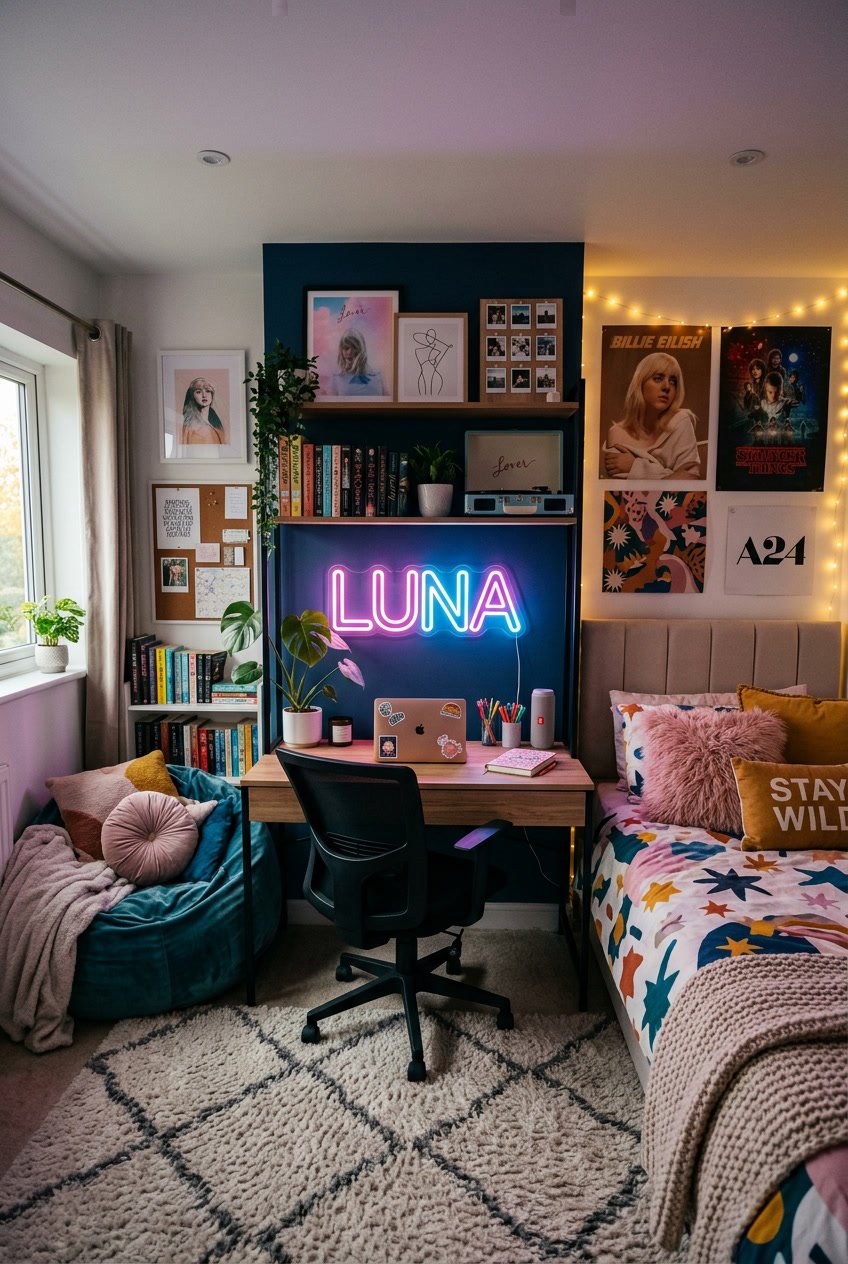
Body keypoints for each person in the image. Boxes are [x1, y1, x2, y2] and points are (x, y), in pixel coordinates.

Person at [603, 352, 701, 479]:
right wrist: (671, 475)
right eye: (658, 378)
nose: (667, 387)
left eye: (673, 381)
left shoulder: (680, 421)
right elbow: (621, 493)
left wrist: (635, 467)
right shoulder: (617, 433)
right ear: (640, 383)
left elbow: (690, 479)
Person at [329, 329, 386, 397]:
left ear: (361, 349)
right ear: (341, 350)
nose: (350, 352)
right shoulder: (336, 376)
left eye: (354, 348)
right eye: (346, 348)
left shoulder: (377, 375)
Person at [181, 377, 225, 445]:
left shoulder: (216, 422)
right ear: (192, 396)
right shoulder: (189, 425)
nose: (204, 395)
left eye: (208, 391)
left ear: (212, 395)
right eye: (198, 392)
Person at [413, 326, 453, 397]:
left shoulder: (436, 351)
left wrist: (446, 348)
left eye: (433, 337)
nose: (431, 339)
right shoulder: (418, 350)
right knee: (425, 391)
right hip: (425, 373)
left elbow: (433, 361)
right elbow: (428, 359)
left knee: (431, 392)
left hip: (433, 373)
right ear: (426, 337)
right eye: (429, 336)